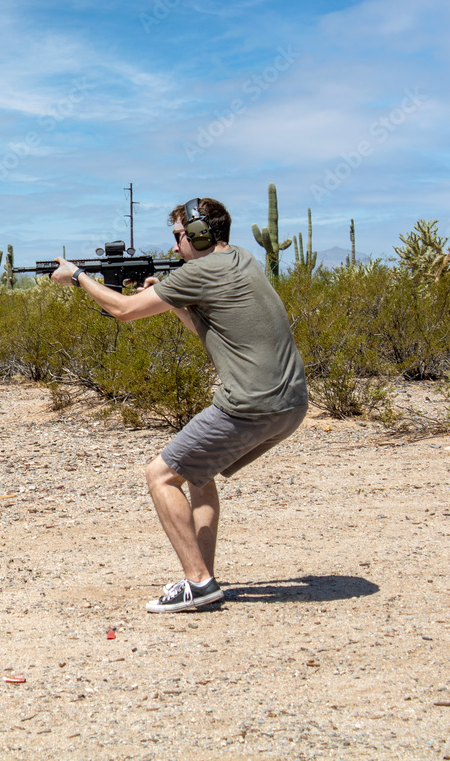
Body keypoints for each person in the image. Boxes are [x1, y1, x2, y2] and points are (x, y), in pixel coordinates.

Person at [50, 197, 308, 613]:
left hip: (250, 404)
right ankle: (203, 575)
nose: (174, 247)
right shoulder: (241, 259)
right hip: (290, 403)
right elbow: (211, 326)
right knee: (197, 474)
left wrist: (77, 276)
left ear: (201, 235)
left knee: (161, 476)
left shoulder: (200, 272)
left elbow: (122, 310)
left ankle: (199, 583)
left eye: (179, 236)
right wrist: (173, 300)